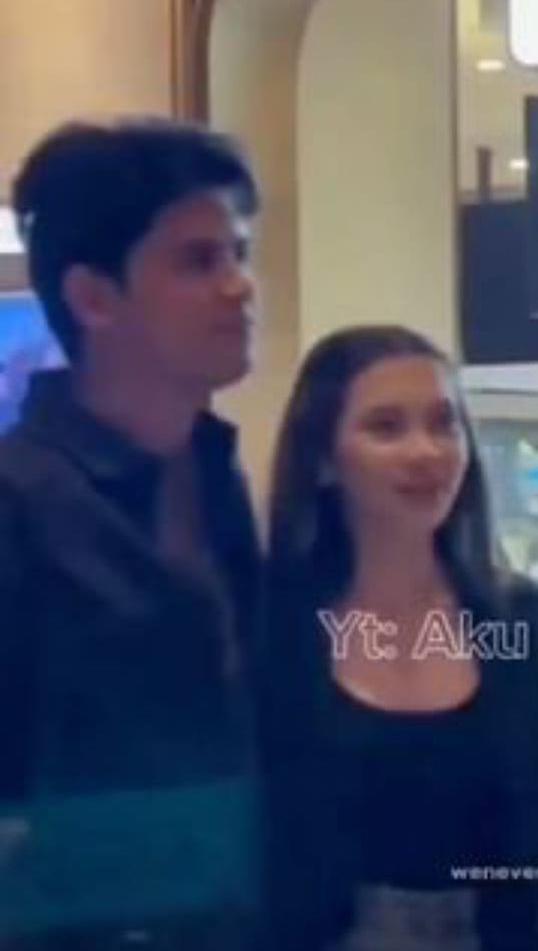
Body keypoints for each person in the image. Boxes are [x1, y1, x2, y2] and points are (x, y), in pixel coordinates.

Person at [0, 119, 264, 950]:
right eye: (198, 261)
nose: (240, 286)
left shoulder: (219, 478)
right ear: (93, 296)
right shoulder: (20, 499)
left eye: (240, 253)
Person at [261, 325, 538, 951]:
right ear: (324, 459)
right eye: (386, 428)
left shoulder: (514, 617)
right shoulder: (270, 625)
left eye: (444, 424)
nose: (427, 451)